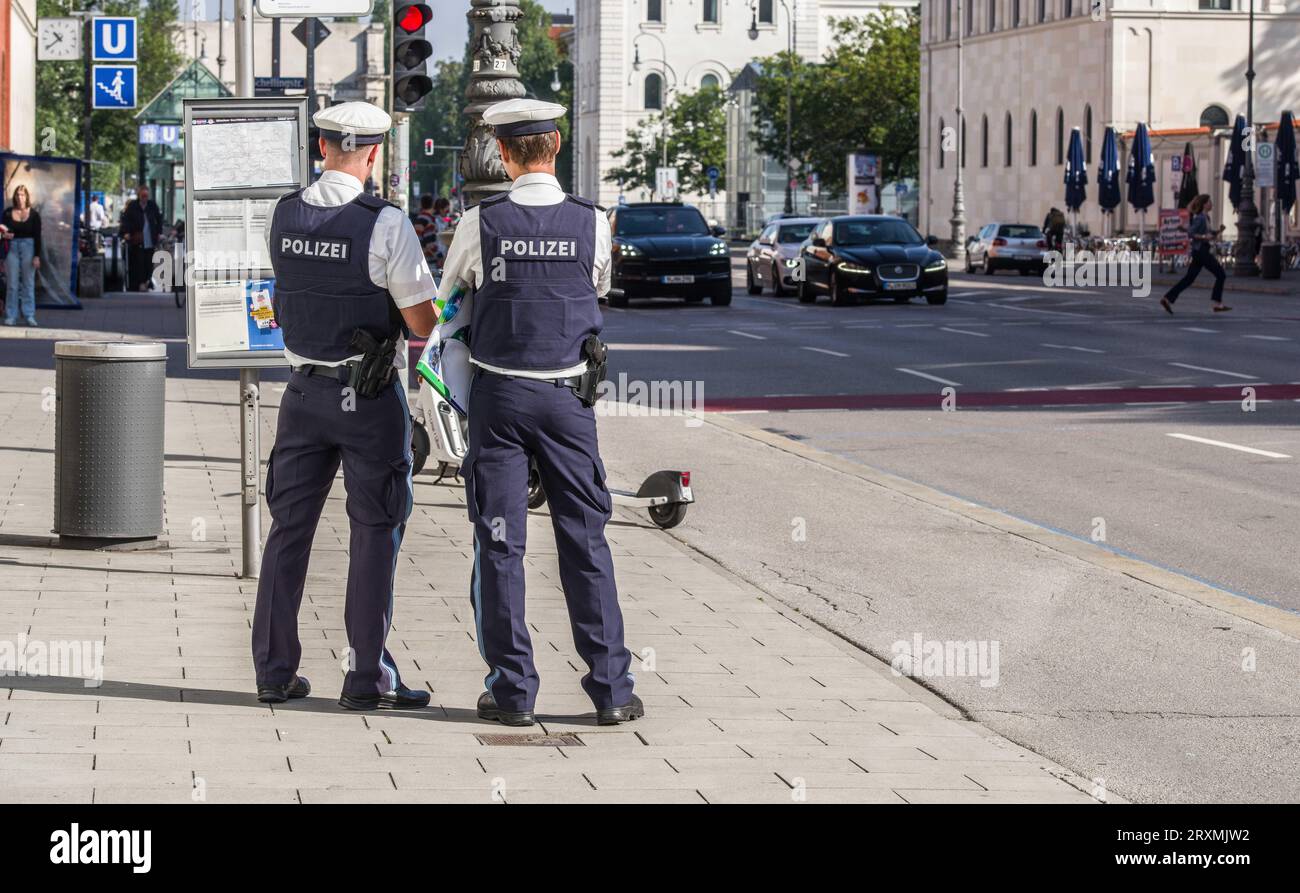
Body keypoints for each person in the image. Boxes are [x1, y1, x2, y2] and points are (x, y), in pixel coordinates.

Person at [436, 98, 642, 728]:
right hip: (568, 402)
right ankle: (611, 690)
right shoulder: (592, 223)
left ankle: (512, 690)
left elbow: (449, 304)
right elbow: (595, 287)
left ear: (503, 154)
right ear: (555, 144)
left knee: (500, 543)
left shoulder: (480, 222)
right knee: (584, 538)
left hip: (499, 400)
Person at [251, 101, 439, 710]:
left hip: (302, 394)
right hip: (368, 398)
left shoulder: (283, 213)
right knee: (374, 533)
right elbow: (420, 321)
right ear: (375, 153)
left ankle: (275, 672)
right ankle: (365, 678)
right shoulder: (384, 223)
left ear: (321, 147)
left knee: (288, 532)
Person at [1160, 194, 1230, 314]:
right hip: (1201, 251)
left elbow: (1208, 234)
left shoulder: (1206, 218)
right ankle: (1217, 303)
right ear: (1204, 204)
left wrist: (1218, 231)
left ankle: (1167, 298)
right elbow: (1191, 233)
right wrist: (1203, 236)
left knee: (1189, 279)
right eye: (1209, 202)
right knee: (1220, 274)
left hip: (1200, 251)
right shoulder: (1200, 218)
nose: (1211, 204)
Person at [3, 184, 42, 327]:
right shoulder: (7, 213)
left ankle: (29, 314)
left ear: (27, 197)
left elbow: (38, 236)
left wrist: (37, 256)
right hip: (11, 247)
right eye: (18, 195)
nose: (20, 197)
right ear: (14, 197)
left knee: (28, 282)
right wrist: (4, 234)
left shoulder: (34, 214)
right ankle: (11, 315)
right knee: (12, 283)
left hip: (29, 247)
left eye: (23, 194)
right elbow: (1, 231)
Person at [119, 186, 163, 292]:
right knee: (138, 261)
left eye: (146, 196)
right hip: (137, 238)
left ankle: (147, 281)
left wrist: (159, 233)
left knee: (149, 262)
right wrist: (126, 233)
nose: (145, 198)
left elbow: (159, 219)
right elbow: (126, 220)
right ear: (139, 196)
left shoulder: (152, 205)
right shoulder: (133, 206)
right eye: (143, 196)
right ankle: (140, 283)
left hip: (150, 239)